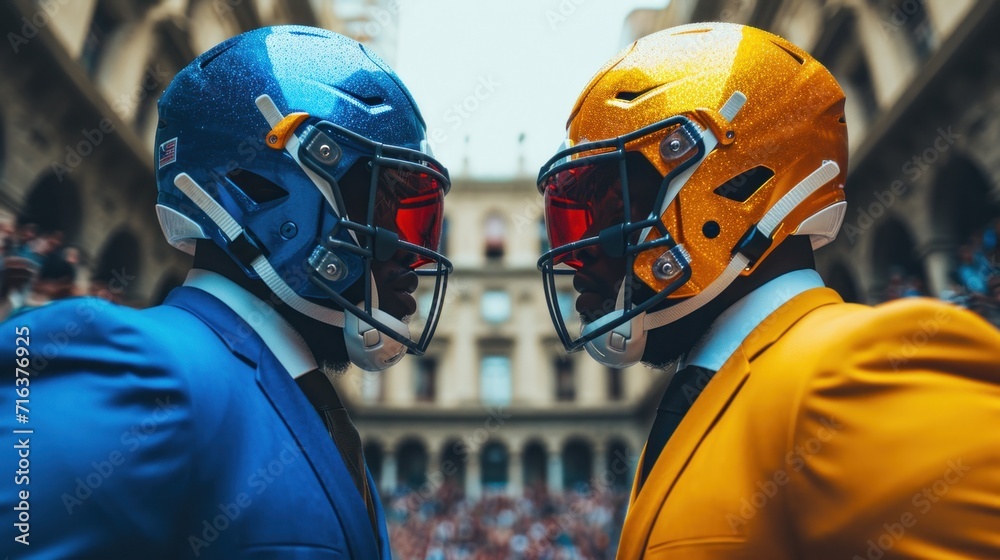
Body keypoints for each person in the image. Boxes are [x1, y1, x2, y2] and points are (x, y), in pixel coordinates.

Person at [535, 23, 1000, 559]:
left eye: (608, 210)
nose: (574, 254)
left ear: (729, 185)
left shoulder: (858, 372)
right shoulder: (712, 401)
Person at [1, 25, 451, 559]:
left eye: (421, 222)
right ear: (268, 195)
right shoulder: (140, 371)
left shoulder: (317, 417)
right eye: (388, 211)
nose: (414, 256)